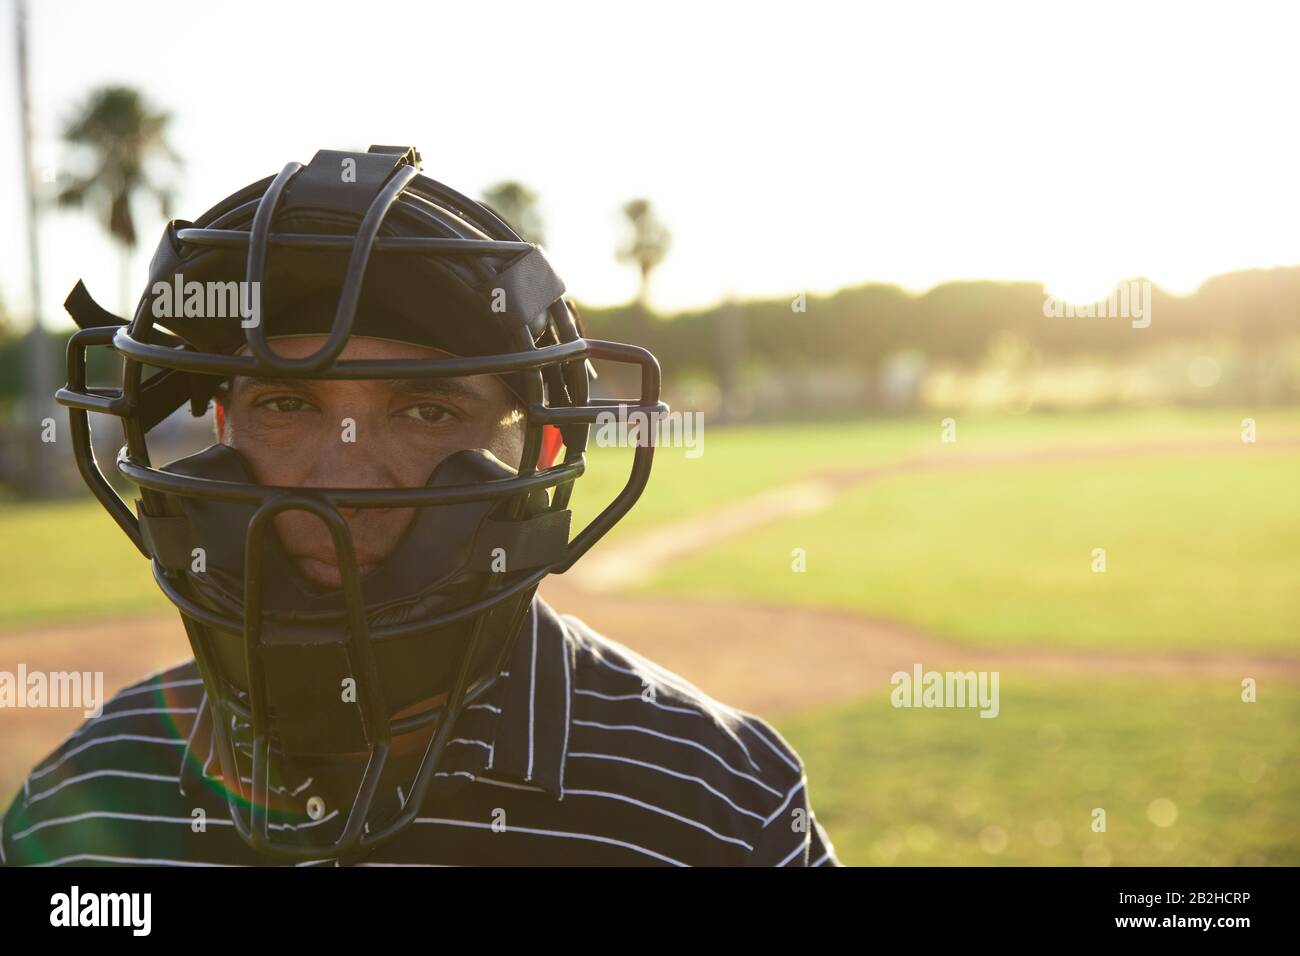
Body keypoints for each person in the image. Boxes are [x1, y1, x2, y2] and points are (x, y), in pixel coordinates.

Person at [1, 146, 838, 867]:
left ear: (538, 454)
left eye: (427, 411)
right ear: (223, 431)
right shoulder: (84, 804)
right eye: (289, 406)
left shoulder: (717, 806)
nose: (346, 479)